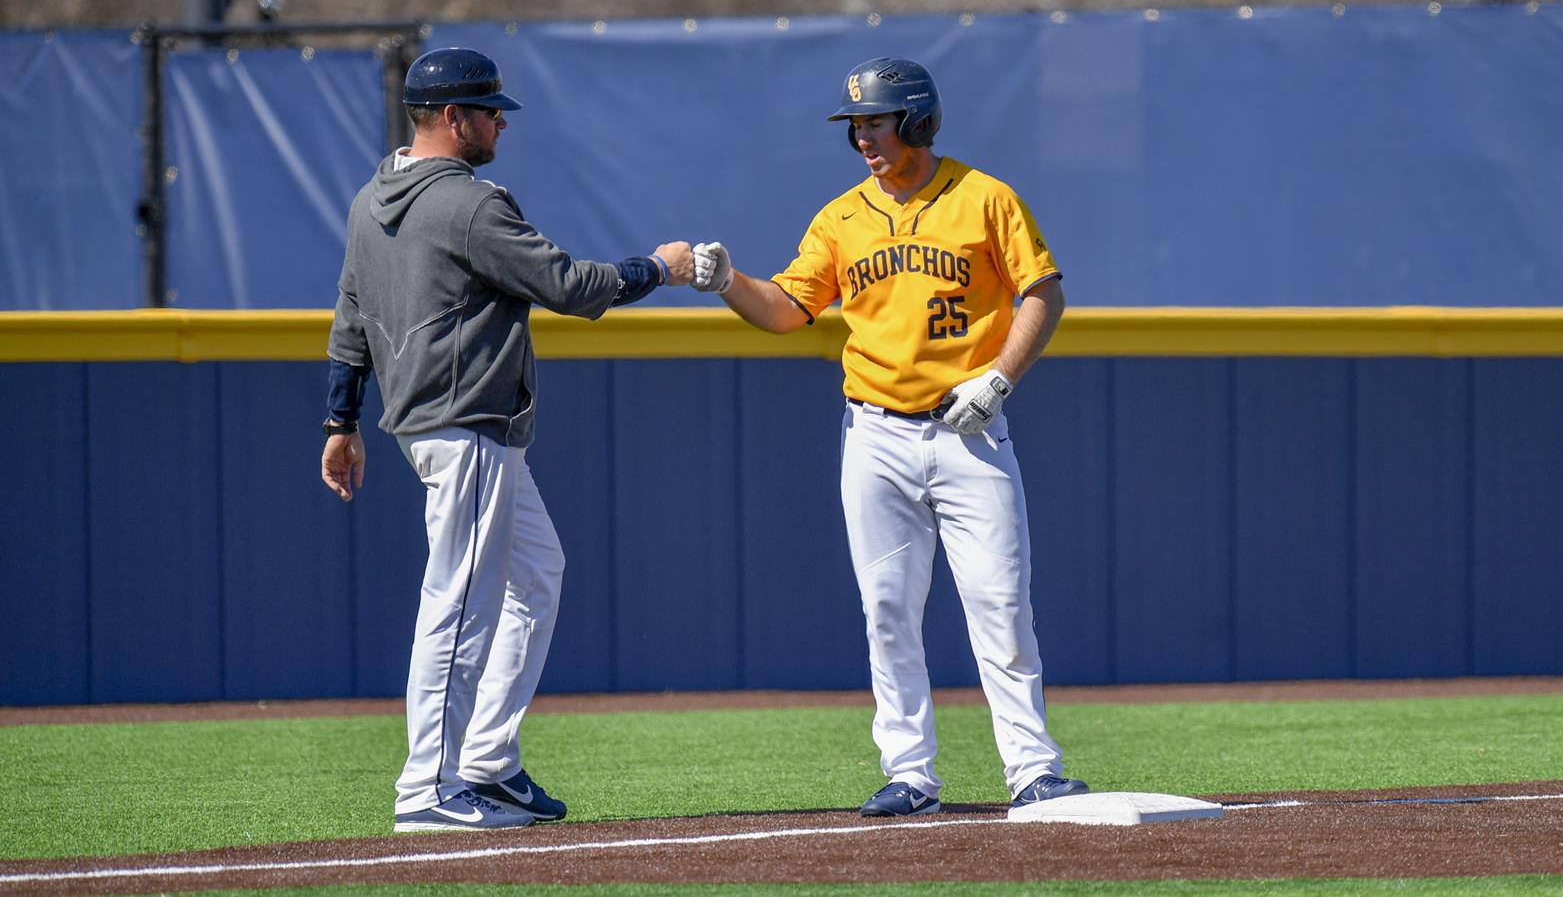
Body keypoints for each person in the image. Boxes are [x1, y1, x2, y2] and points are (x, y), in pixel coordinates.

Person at [691, 57, 1086, 816]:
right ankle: (910, 774)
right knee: (887, 609)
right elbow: (788, 310)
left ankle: (1033, 770)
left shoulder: (984, 197)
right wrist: (728, 283)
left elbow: (1043, 294)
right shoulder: (840, 219)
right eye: (856, 126)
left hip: (970, 430)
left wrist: (1000, 378)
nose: (863, 138)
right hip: (874, 435)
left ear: (918, 120)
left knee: (1000, 605)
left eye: (876, 121)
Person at [319, 46, 693, 833]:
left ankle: (488, 761)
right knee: (458, 605)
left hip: (434, 424)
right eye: (491, 112)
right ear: (454, 118)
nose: (500, 124)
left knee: (537, 574)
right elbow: (569, 288)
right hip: (467, 425)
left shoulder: (368, 198)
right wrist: (658, 268)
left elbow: (349, 320)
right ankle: (428, 788)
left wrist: (340, 421)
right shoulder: (468, 203)